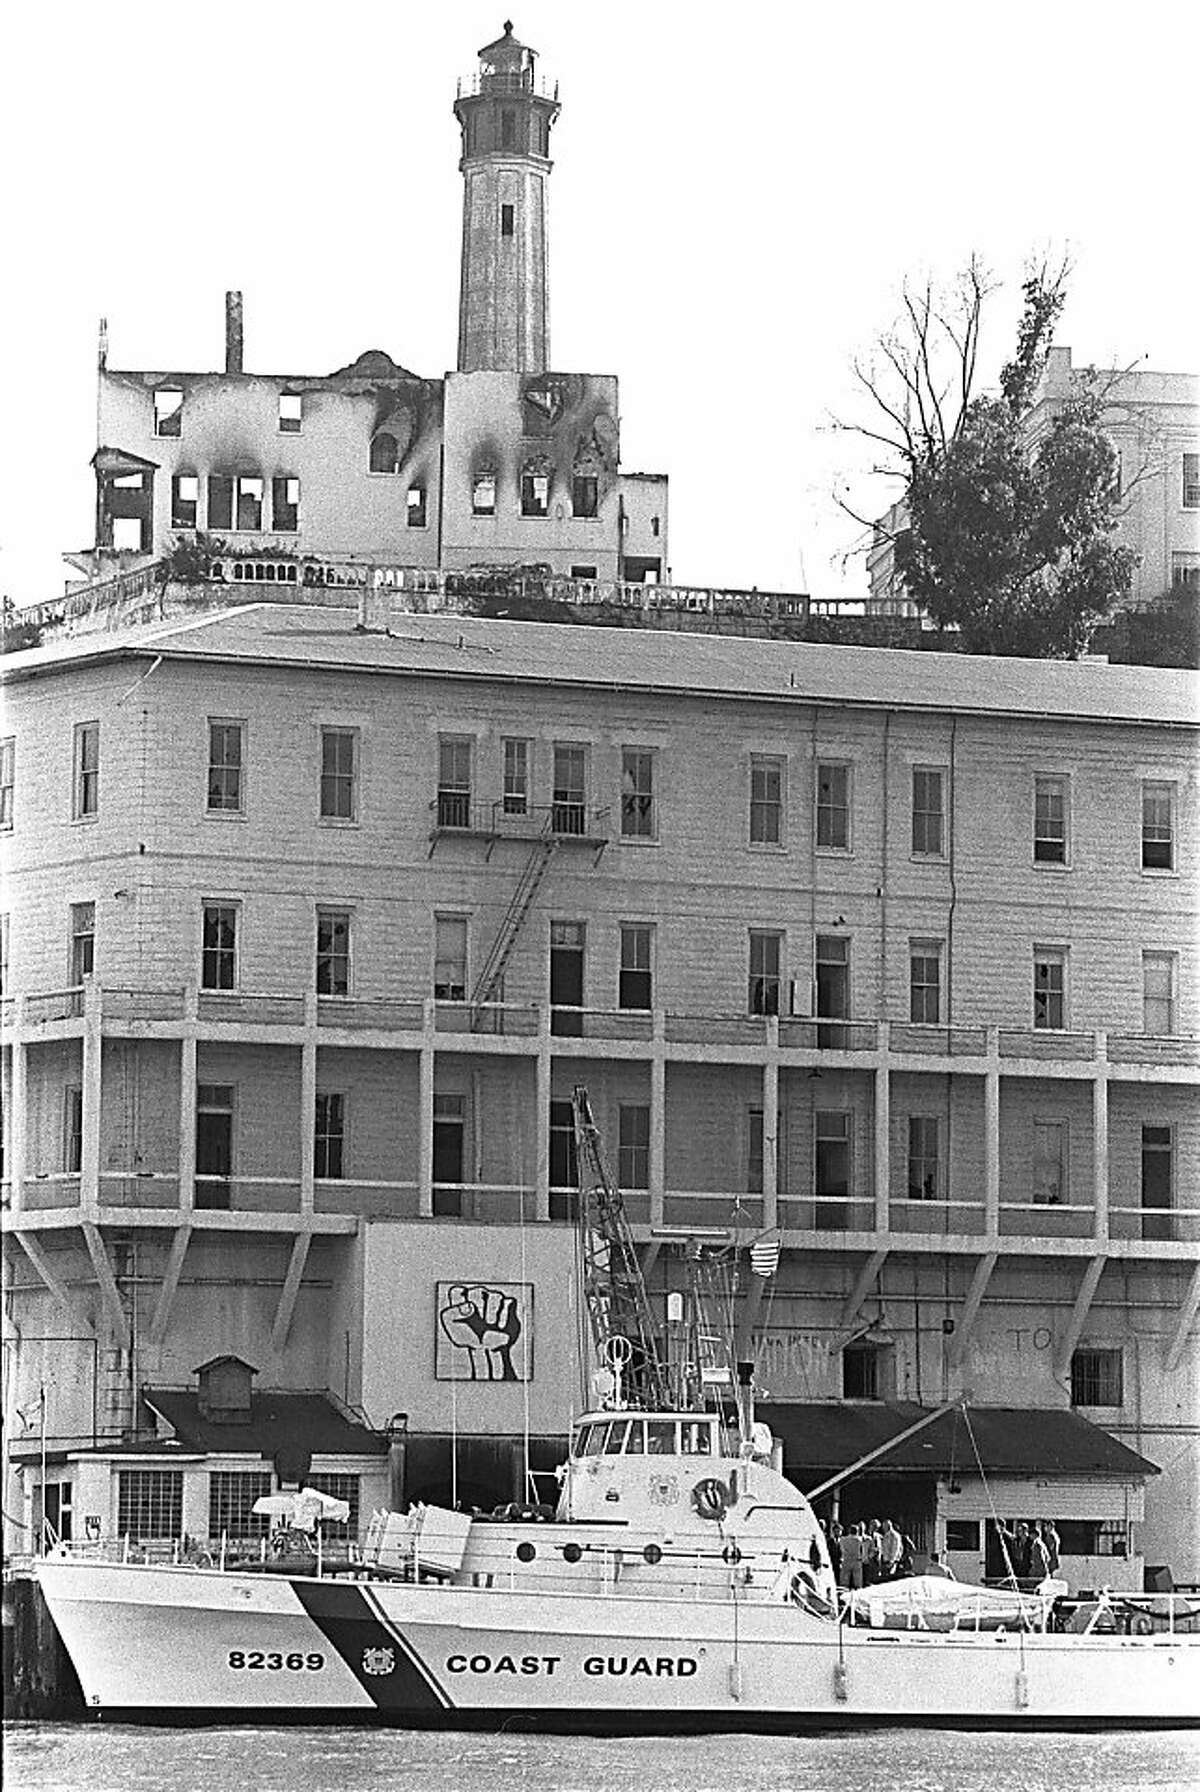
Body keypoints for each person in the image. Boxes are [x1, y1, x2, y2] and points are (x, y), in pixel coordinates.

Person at [839, 1524, 864, 1590]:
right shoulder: (860, 1540)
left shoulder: (843, 1539)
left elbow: (841, 1549)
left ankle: (843, 1593)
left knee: (844, 1580)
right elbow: (862, 1550)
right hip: (857, 1560)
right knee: (857, 1581)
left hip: (846, 1559)